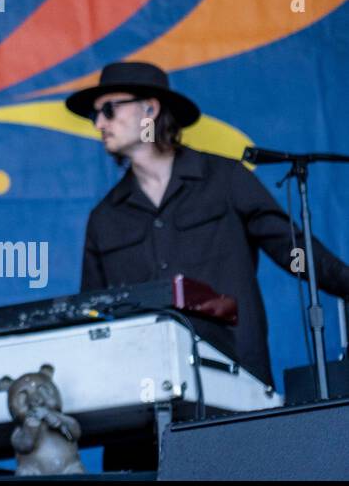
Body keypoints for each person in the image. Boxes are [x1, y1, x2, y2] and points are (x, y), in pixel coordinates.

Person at [68, 62, 349, 382]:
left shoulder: (225, 179)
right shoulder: (104, 217)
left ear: (149, 109)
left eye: (108, 109)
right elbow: (92, 314)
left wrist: (346, 283)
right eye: (95, 115)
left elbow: (291, 248)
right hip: (148, 385)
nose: (99, 124)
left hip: (237, 376)